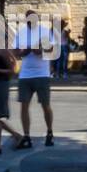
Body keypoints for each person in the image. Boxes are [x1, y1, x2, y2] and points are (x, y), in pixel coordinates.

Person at [15, 10, 56, 147]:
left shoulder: (45, 31)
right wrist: (25, 51)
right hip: (25, 74)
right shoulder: (21, 32)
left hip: (42, 73)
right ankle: (26, 135)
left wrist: (41, 50)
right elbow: (15, 53)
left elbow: (52, 50)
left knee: (45, 105)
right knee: (24, 106)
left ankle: (50, 132)